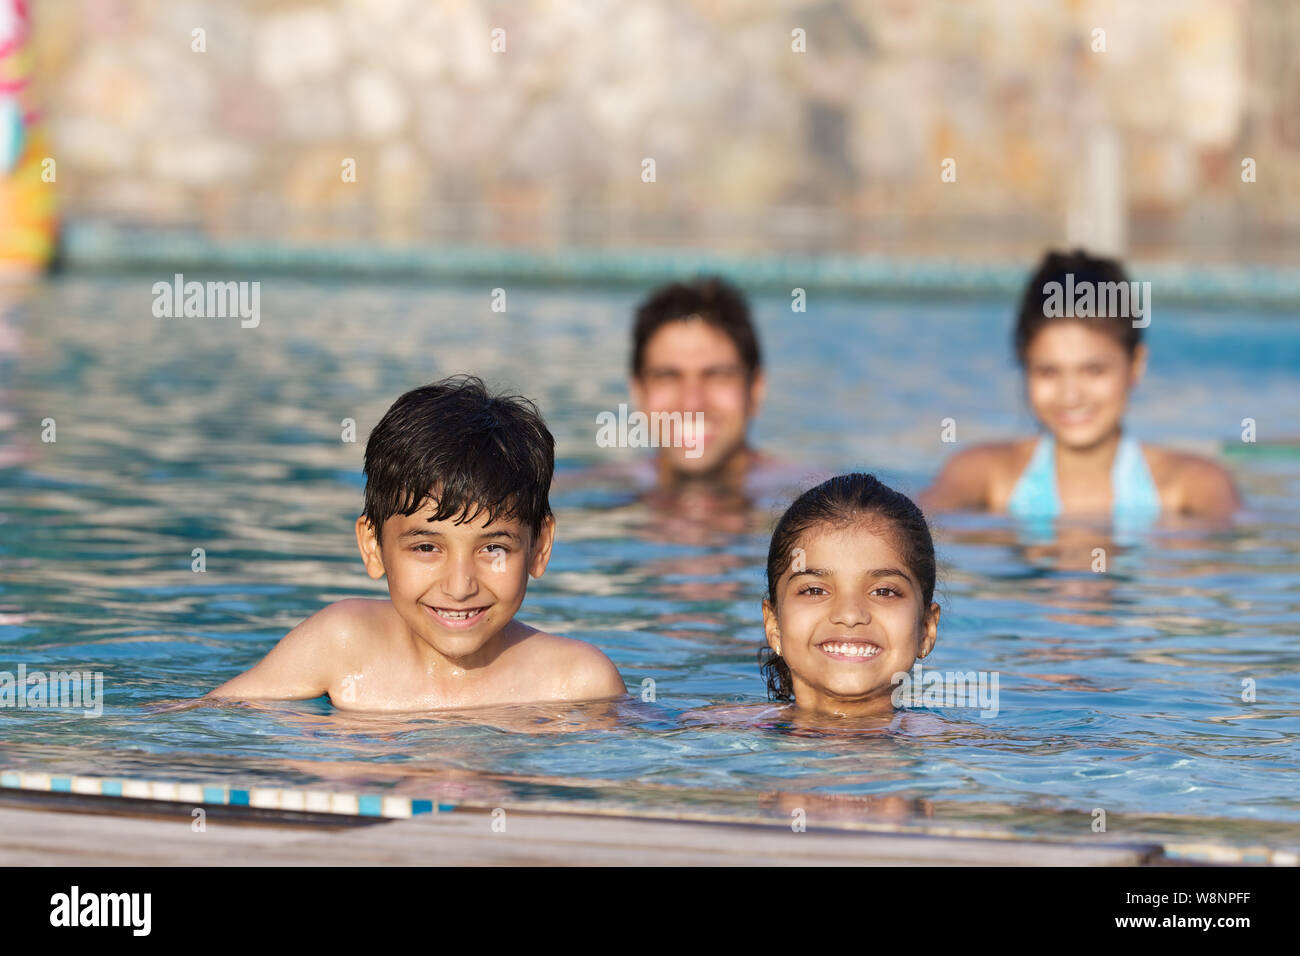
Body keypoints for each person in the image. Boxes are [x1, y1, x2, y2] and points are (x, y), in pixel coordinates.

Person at [206, 375, 626, 711]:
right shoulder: (341, 645)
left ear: (539, 546)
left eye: (493, 548)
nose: (459, 586)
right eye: (427, 548)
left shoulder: (575, 683)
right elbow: (206, 720)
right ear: (373, 547)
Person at [920, 250, 1240, 520]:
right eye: (1049, 371)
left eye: (1094, 370)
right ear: (1024, 367)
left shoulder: (1190, 484)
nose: (1071, 395)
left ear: (1136, 366)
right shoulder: (984, 474)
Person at [760, 473, 940, 717]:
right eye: (815, 590)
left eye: (883, 591)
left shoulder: (966, 750)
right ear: (774, 626)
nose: (850, 614)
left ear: (926, 628)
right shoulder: (709, 734)